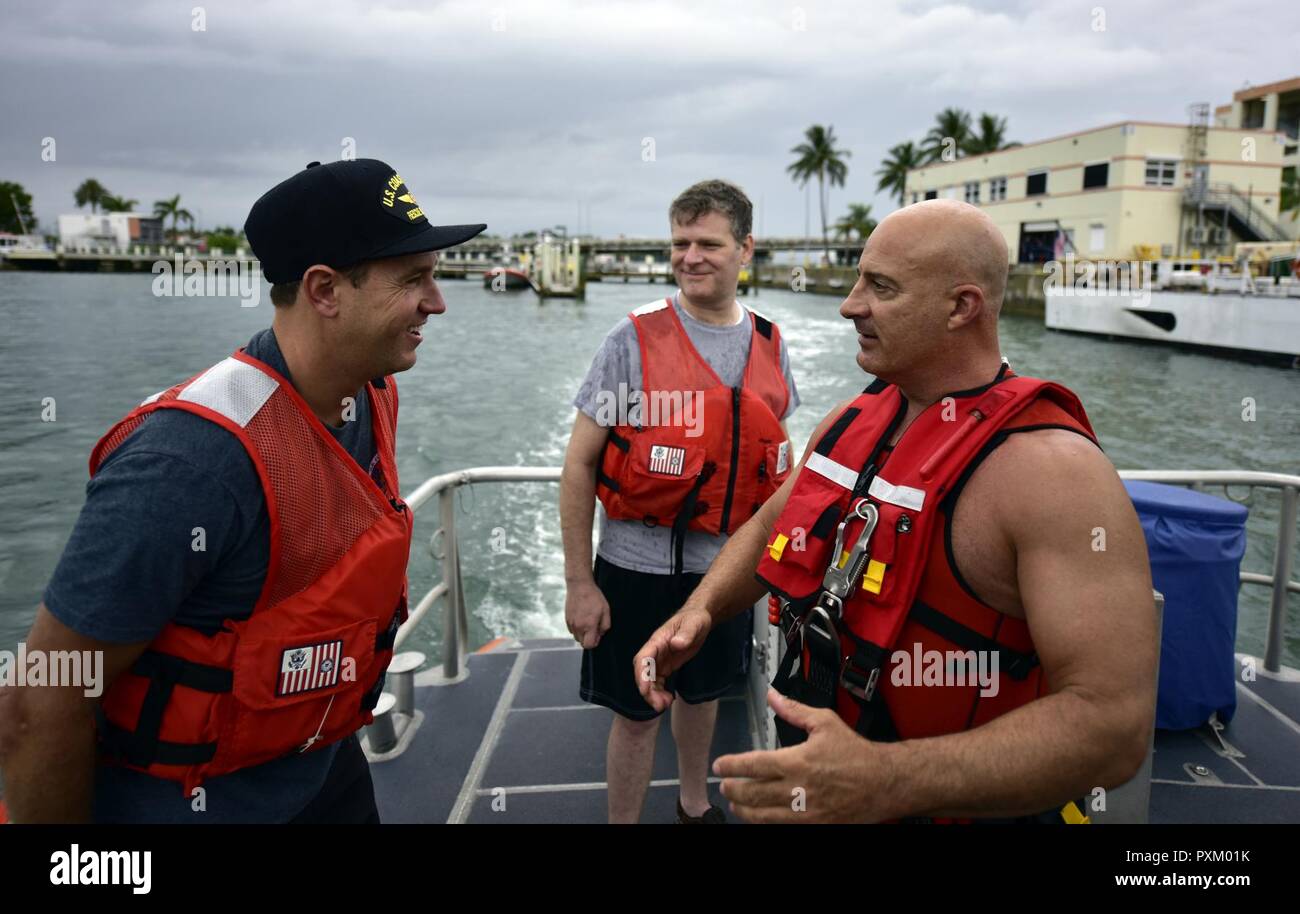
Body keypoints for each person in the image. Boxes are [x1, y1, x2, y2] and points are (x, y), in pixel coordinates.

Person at [634, 199, 1157, 824]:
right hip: (822, 784)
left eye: (880, 287)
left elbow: (1114, 725)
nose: (850, 304)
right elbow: (775, 521)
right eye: (859, 279)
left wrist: (884, 781)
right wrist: (701, 611)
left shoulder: (1054, 475)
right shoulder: (855, 418)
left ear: (961, 307)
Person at [0, 159, 485, 823]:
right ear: (324, 290)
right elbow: (41, 701)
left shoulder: (370, 391)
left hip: (325, 771)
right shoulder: (188, 463)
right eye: (414, 279)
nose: (437, 301)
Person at [560, 179, 800, 823]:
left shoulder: (773, 344)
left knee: (704, 697)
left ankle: (694, 806)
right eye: (679, 243)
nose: (690, 257)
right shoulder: (630, 340)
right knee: (637, 714)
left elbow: (779, 465)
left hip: (724, 572)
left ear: (746, 249)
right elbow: (580, 464)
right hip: (634, 569)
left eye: (708, 243)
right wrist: (579, 582)